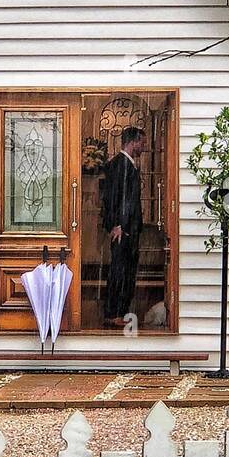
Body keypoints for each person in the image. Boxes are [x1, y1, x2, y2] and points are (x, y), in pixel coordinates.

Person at [101, 126, 145, 326]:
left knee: (127, 271)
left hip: (129, 229)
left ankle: (120, 311)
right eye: (141, 142)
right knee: (120, 270)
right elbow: (113, 198)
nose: (143, 147)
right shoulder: (121, 165)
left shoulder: (127, 165)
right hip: (123, 229)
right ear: (133, 141)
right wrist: (117, 225)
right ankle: (114, 313)